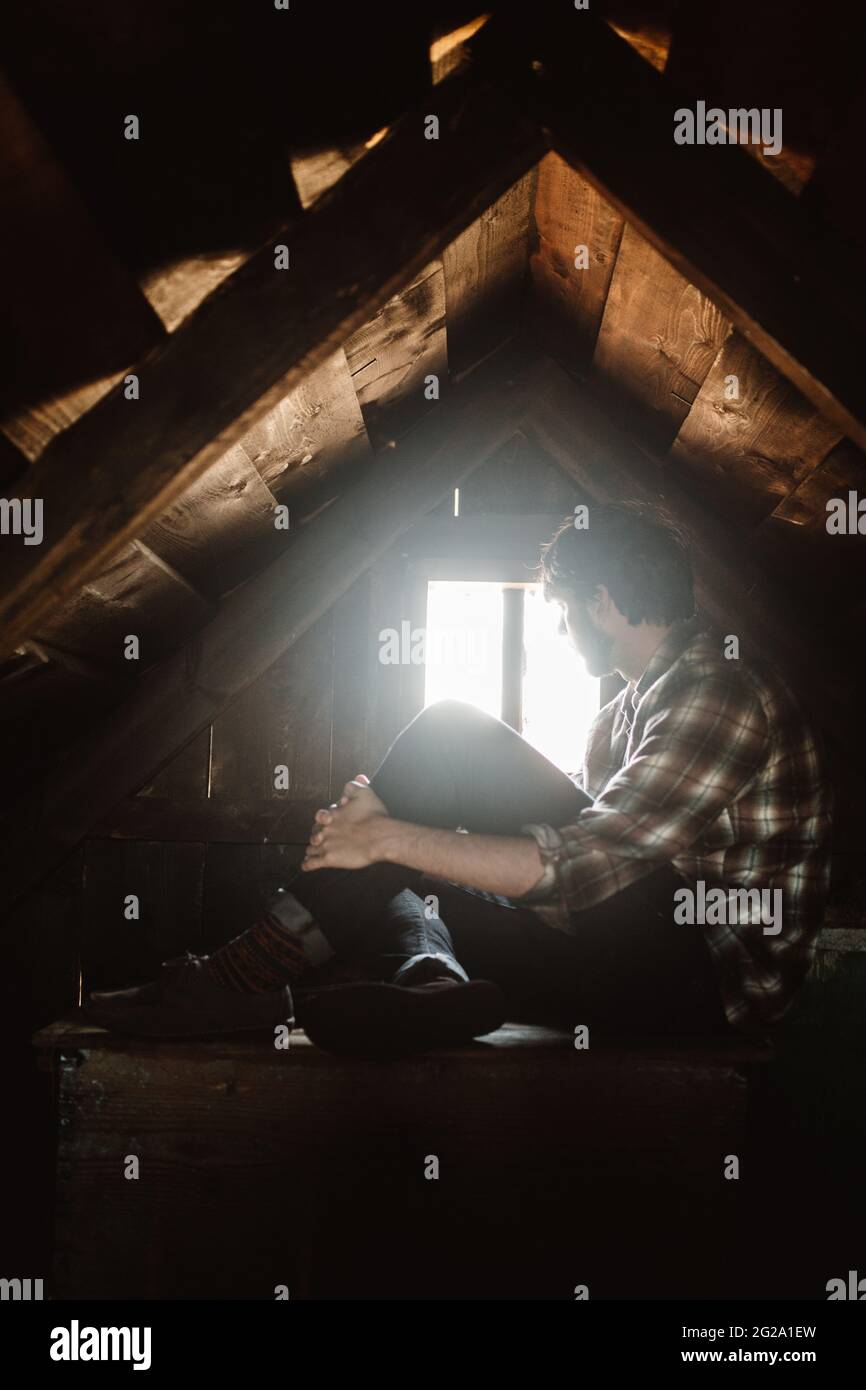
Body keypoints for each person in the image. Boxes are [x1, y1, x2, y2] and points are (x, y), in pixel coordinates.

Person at [86, 503, 832, 1056]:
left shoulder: (715, 690)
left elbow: (582, 872)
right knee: (403, 879)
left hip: (707, 989)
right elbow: (555, 876)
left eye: (562, 612)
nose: (562, 632)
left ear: (600, 601)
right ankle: (433, 984)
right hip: (630, 966)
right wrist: (396, 847)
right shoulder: (624, 712)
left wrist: (385, 835)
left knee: (450, 730)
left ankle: (242, 977)